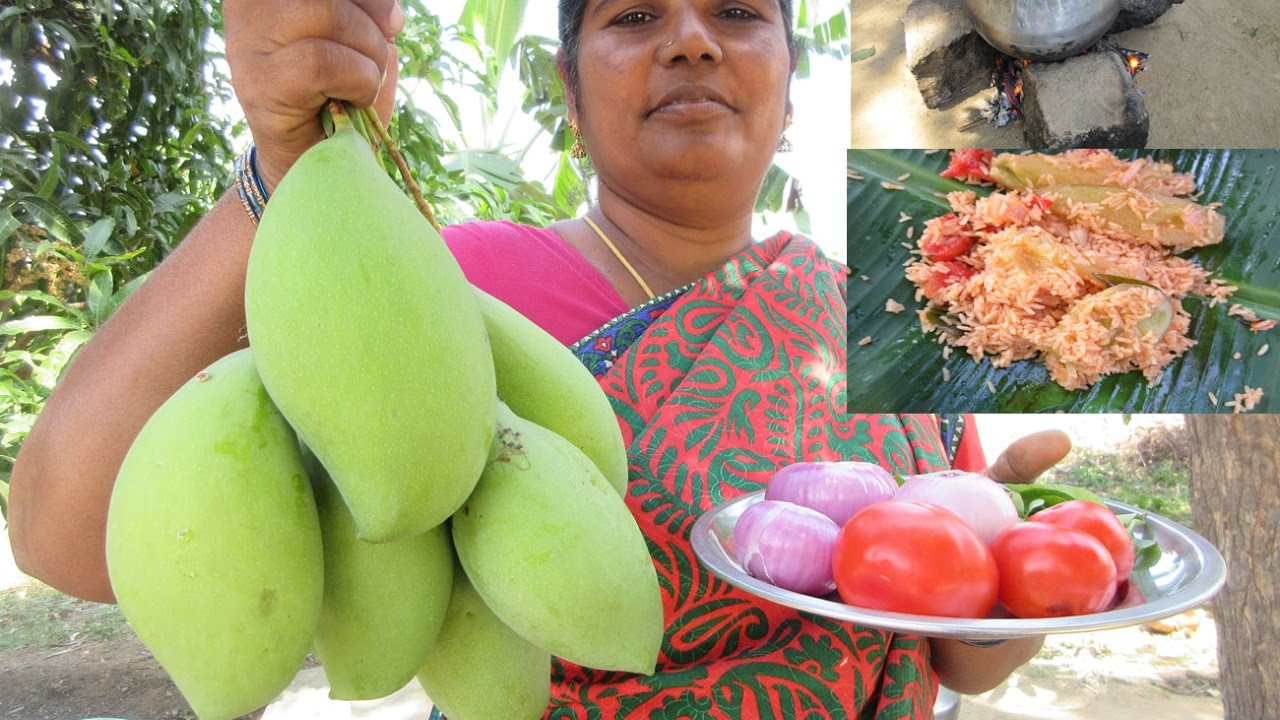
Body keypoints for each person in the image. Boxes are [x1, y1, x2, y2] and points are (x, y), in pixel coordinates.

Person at [8, 1, 1059, 717]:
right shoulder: (438, 293)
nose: (690, 40)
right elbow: (71, 537)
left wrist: (1017, 572)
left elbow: (959, 656)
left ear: (788, 85)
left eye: (737, 12)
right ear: (567, 86)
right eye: (632, 16)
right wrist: (285, 170)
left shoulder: (888, 329)